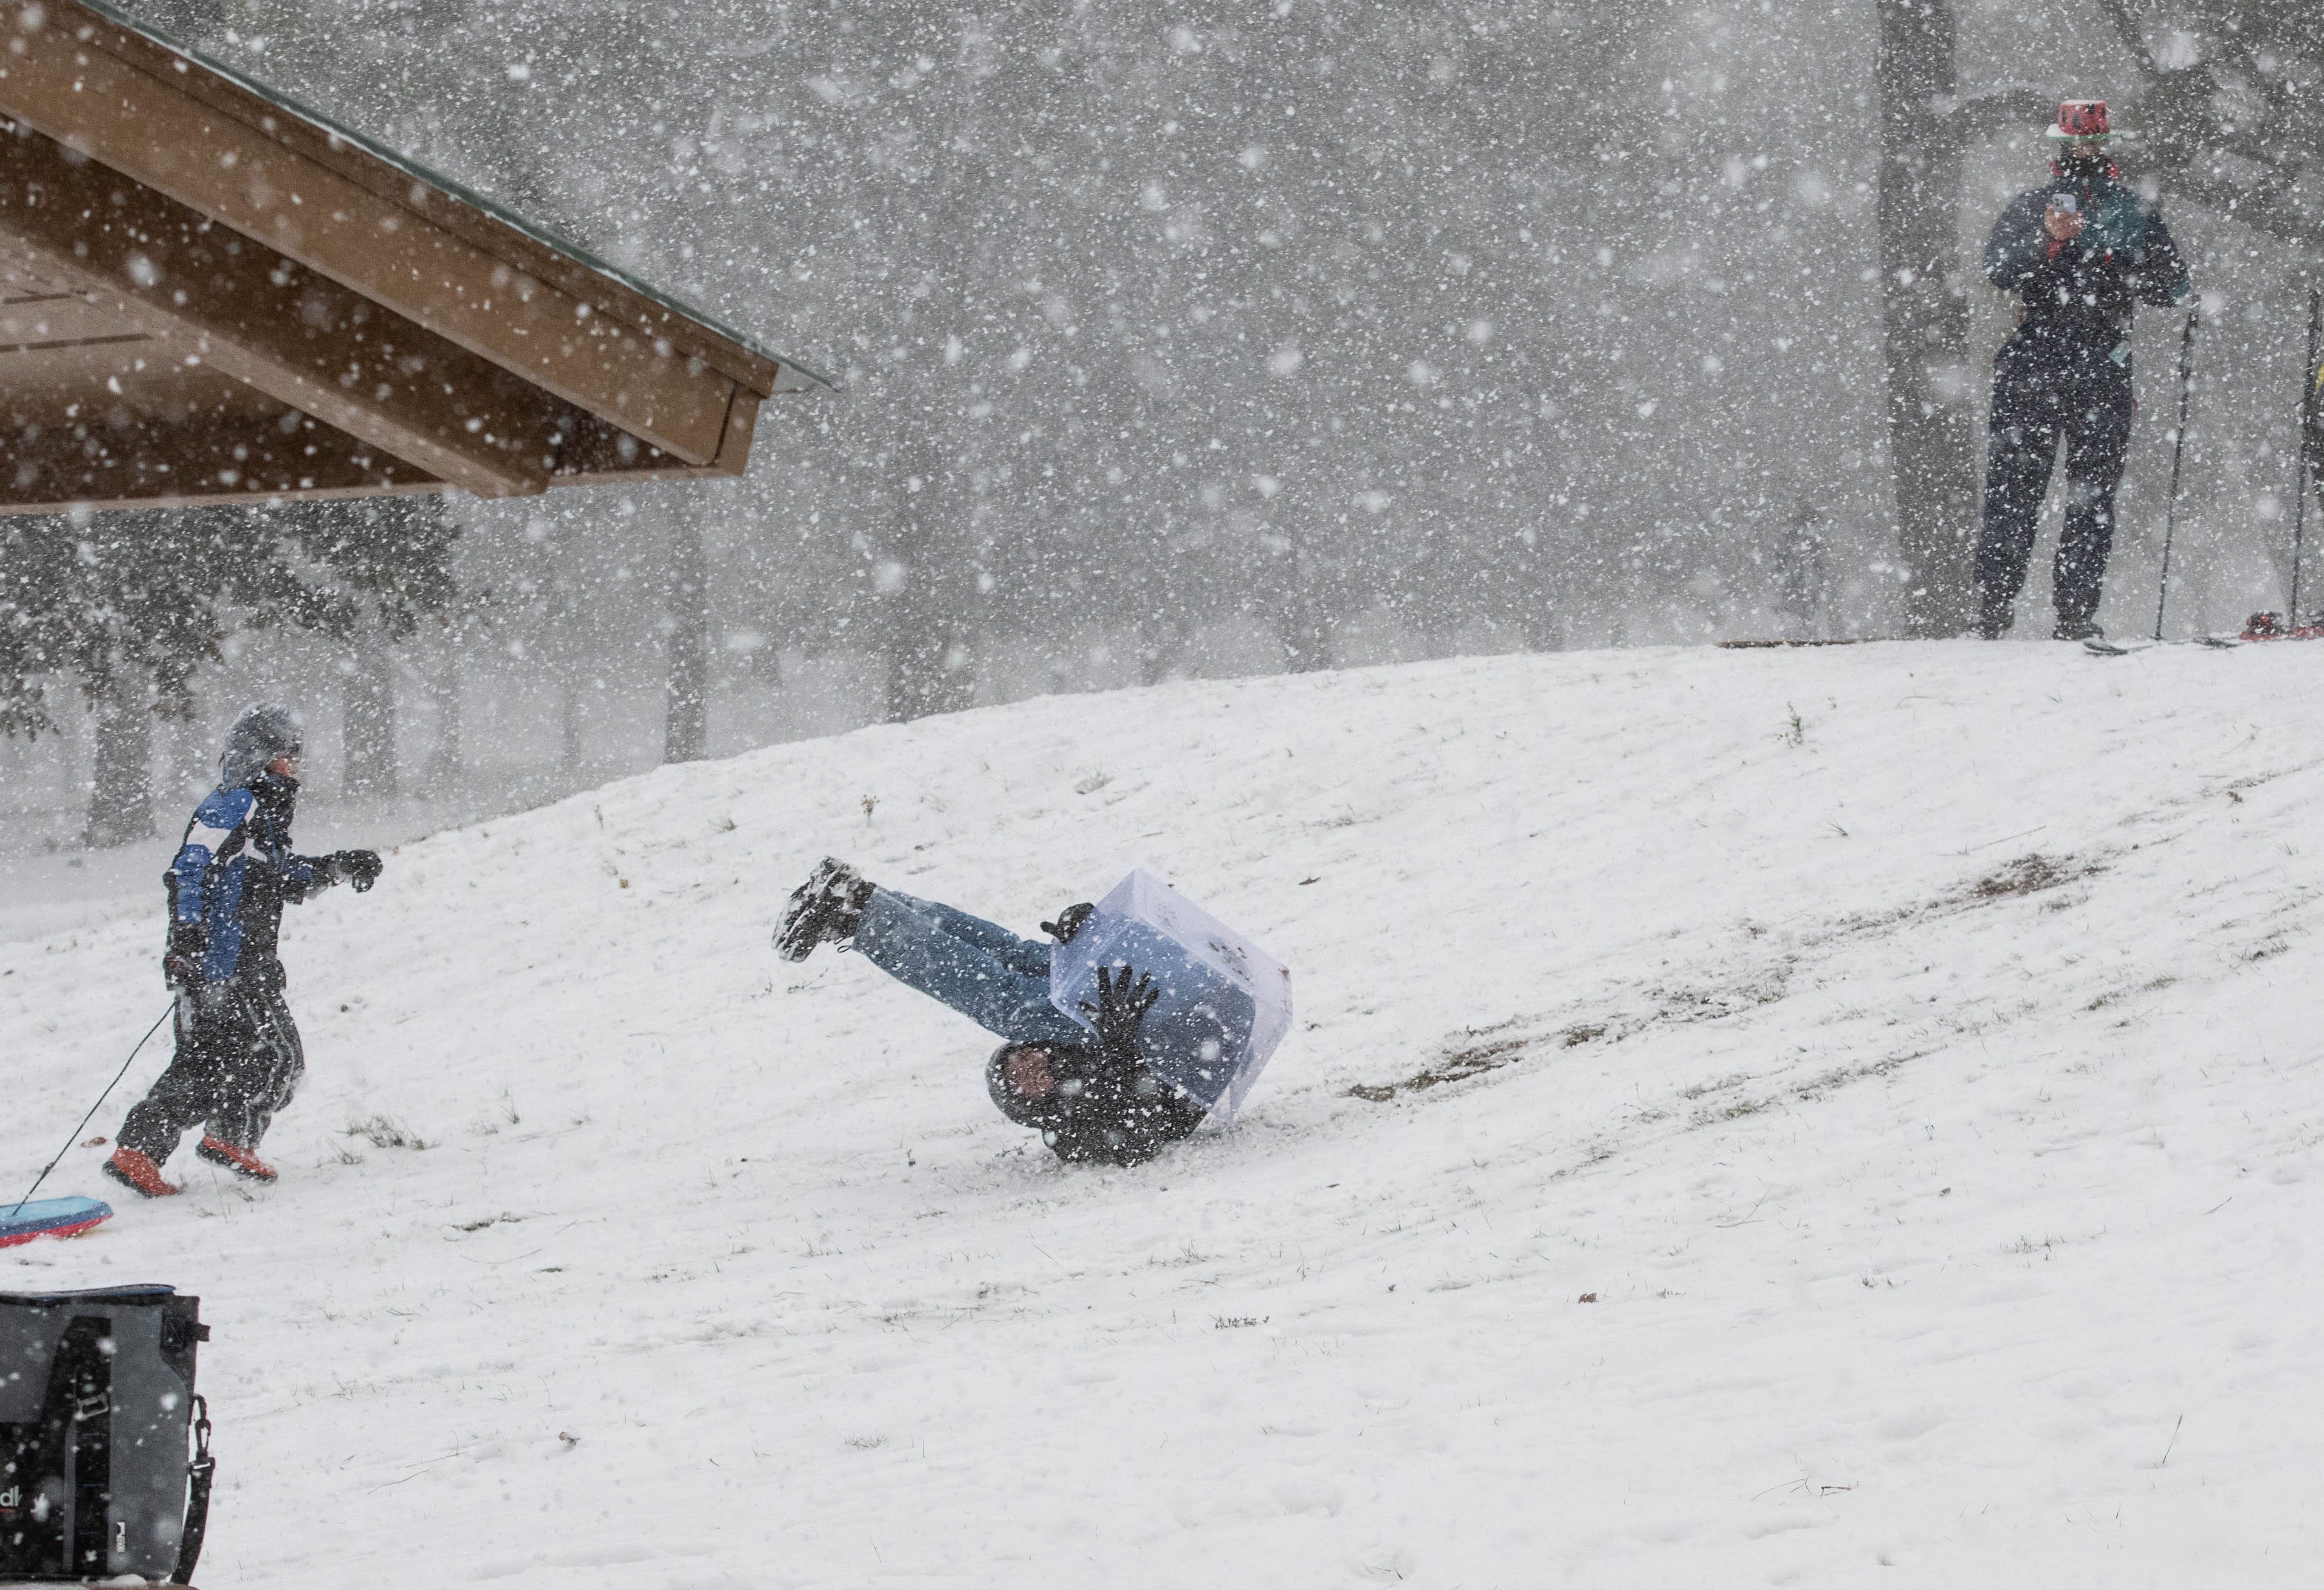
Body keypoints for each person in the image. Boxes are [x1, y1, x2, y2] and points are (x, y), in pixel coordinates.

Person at [102, 706, 383, 1197]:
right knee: (278, 1056)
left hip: (216, 967)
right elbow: (190, 869)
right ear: (261, 757)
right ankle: (232, 1138)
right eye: (286, 756)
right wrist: (188, 938)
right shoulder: (235, 805)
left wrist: (339, 865)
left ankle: (138, 1153)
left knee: (203, 1064)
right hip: (231, 964)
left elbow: (279, 876)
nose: (294, 766)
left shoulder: (259, 815)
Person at [775, 859, 1207, 1166]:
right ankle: (855, 908)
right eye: (1028, 1080)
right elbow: (1141, 1133)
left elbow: (1129, 1136)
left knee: (1016, 964)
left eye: (1020, 1062)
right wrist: (1120, 1043)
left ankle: (861, 902)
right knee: (1015, 993)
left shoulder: (1073, 1110)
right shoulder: (1076, 1126)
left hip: (1149, 1011)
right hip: (1175, 1028)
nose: (1035, 1067)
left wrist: (1083, 944)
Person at [1976, 98, 2192, 643]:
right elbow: (1997, 270)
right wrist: (2051, 244)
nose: (2083, 154)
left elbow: (2174, 287)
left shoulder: (2133, 211)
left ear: (2108, 146)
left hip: (2101, 367)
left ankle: (2073, 615)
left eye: (2091, 144)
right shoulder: (2028, 209)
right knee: (2013, 494)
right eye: (2072, 146)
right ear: (2056, 149)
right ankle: (1993, 611)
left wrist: (2122, 265)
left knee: (2092, 499)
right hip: (2033, 367)